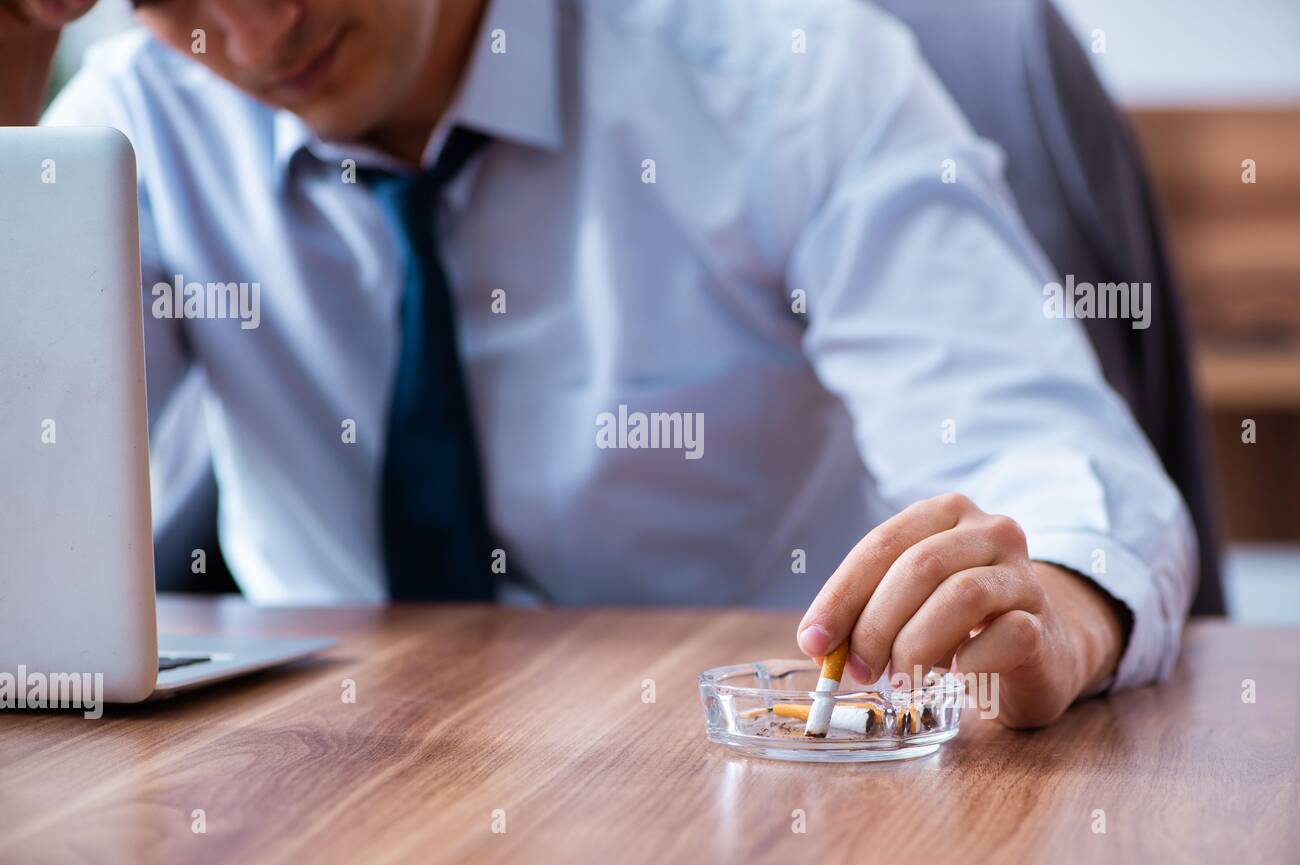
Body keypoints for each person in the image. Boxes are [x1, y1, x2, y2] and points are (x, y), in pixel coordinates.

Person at [0, 0, 1197, 728]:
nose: (259, 35)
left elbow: (1037, 450)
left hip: (739, 775)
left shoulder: (787, 75)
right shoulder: (133, 127)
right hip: (323, 777)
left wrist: (1059, 605)